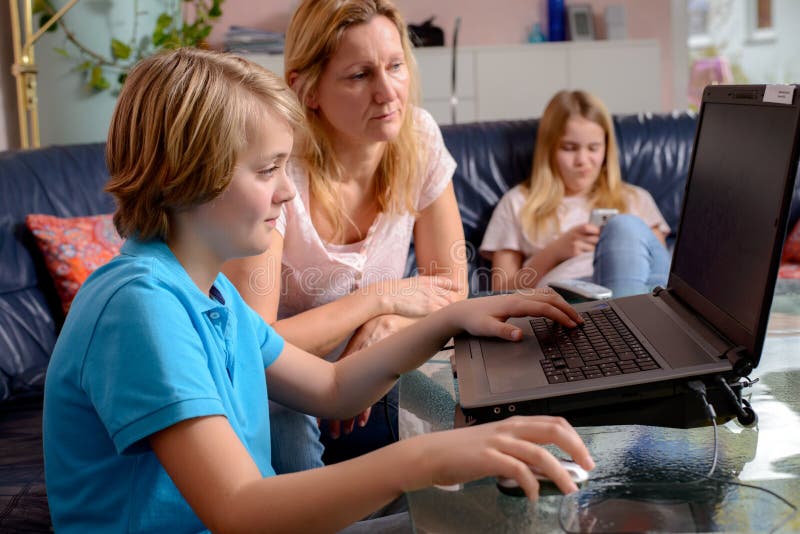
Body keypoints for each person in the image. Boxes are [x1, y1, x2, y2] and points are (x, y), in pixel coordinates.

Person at [42, 48, 594, 533]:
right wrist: (427, 458)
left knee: (495, 520)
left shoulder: (209, 294)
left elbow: (332, 388)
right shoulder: (141, 306)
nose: (288, 192)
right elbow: (239, 508)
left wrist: (453, 318)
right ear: (179, 177)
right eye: (267, 171)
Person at [223, 0, 467, 473]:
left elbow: (453, 290)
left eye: (395, 66)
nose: (387, 92)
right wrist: (377, 302)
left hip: (377, 377)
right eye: (359, 75)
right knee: (282, 411)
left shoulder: (419, 137)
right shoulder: (279, 169)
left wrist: (388, 328)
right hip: (287, 388)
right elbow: (253, 345)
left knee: (476, 380)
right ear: (306, 88)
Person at [480, 90, 671, 297]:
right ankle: (631, 320)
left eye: (593, 148)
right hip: (567, 298)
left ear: (606, 149)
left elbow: (661, 275)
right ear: (549, 149)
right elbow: (499, 294)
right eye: (570, 148)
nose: (582, 160)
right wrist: (554, 252)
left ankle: (627, 317)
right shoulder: (518, 203)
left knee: (623, 227)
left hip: (633, 291)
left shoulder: (635, 199)